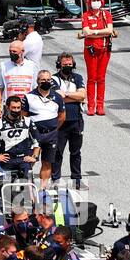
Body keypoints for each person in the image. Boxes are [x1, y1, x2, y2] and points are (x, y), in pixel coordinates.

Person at [50, 53, 86, 188]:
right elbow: (58, 97)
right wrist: (75, 96)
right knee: (57, 152)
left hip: (76, 120)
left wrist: (68, 95)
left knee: (76, 152)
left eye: (70, 64)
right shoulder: (53, 79)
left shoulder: (77, 77)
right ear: (59, 65)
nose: (68, 67)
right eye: (65, 65)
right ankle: (55, 179)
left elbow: (82, 95)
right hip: (60, 121)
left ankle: (77, 179)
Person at [0, 95, 39, 180]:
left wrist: (34, 157)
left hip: (24, 160)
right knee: (6, 188)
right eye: (14, 107)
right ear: (7, 107)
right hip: (7, 160)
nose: (16, 110)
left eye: (18, 108)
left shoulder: (28, 121)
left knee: (28, 185)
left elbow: (37, 140)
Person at [26, 71, 64, 187]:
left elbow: (62, 117)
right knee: (29, 162)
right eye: (43, 80)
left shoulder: (57, 97)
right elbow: (24, 116)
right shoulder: (29, 96)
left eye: (48, 80)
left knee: (47, 162)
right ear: (38, 81)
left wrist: (53, 129)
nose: (46, 82)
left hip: (51, 135)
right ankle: (27, 187)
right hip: (34, 135)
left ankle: (42, 189)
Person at [79, 0, 113, 115]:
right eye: (94, 1)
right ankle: (91, 106)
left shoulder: (107, 15)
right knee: (92, 78)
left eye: (98, 0)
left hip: (104, 50)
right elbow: (86, 32)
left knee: (101, 78)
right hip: (91, 51)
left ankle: (100, 106)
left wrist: (95, 33)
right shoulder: (86, 16)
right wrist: (99, 32)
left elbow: (110, 31)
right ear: (89, 2)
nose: (96, 3)